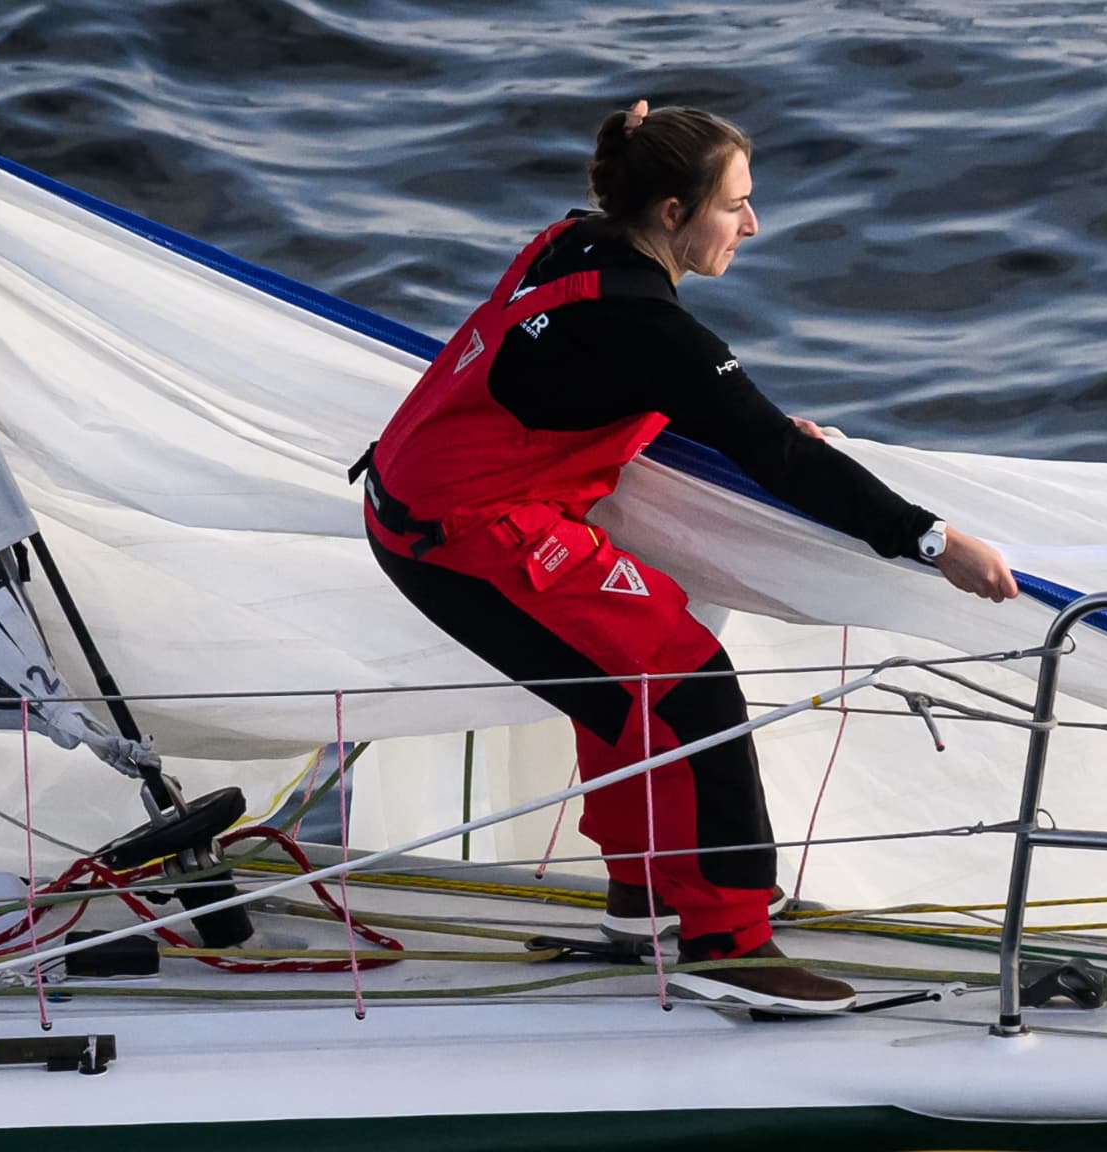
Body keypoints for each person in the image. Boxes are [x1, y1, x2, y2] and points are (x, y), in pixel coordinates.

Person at [357, 99, 1018, 1013]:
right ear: (673, 212)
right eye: (735, 205)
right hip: (459, 532)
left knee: (623, 685)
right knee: (691, 687)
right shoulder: (654, 329)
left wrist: (740, 420)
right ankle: (731, 945)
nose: (753, 224)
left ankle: (646, 901)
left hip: (411, 496)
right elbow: (778, 458)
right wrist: (933, 541)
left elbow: (601, 376)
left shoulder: (574, 242)